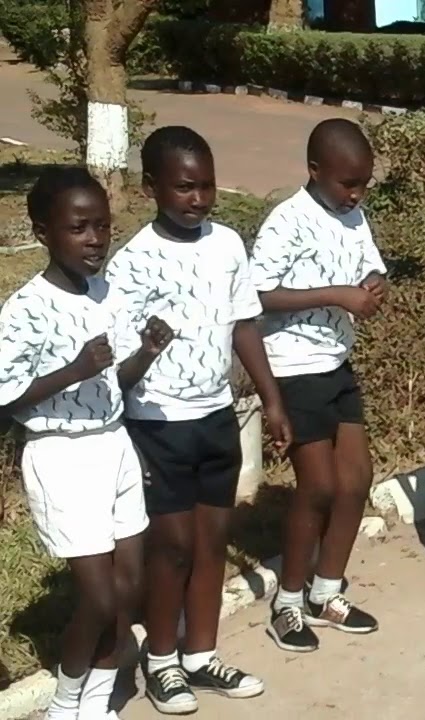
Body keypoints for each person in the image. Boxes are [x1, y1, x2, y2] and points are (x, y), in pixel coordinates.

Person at [106, 126, 292, 714]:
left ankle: (199, 656)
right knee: (174, 548)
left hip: (217, 417)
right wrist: (146, 353)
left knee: (213, 540)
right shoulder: (133, 263)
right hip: (158, 426)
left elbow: (244, 325)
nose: (199, 199)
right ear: (152, 185)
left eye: (207, 186)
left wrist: (272, 398)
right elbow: (115, 369)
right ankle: (161, 662)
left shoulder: (227, 244)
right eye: (185, 187)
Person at [0, 168, 170, 720]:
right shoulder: (25, 309)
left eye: (102, 226)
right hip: (61, 455)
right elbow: (5, 398)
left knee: (128, 589)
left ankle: (96, 704)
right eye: (79, 228)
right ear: (44, 231)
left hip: (113, 447)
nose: (95, 239)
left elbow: (112, 382)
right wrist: (72, 370)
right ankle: (64, 705)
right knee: (98, 598)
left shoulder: (107, 292)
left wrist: (144, 352)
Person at [251, 118, 386, 653]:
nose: (356, 194)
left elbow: (371, 270)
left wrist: (375, 289)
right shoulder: (288, 221)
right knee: (319, 487)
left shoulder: (354, 216)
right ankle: (287, 602)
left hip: (335, 362)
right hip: (292, 365)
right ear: (314, 171)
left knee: (357, 480)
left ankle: (325, 592)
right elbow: (258, 293)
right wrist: (335, 294)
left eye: (363, 184)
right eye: (346, 183)